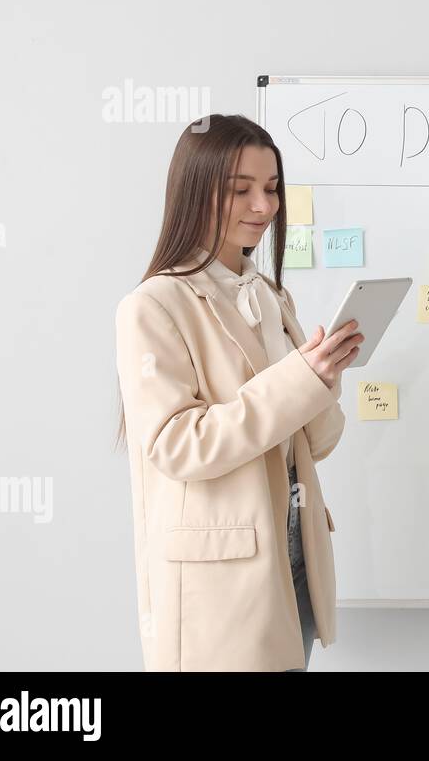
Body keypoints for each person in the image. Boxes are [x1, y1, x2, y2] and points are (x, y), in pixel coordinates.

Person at [114, 114, 362, 671]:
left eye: (272, 189)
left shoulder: (270, 296)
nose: (264, 206)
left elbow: (314, 443)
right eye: (241, 190)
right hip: (220, 580)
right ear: (196, 191)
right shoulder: (153, 307)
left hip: (293, 560)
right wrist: (299, 381)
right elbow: (179, 446)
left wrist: (324, 377)